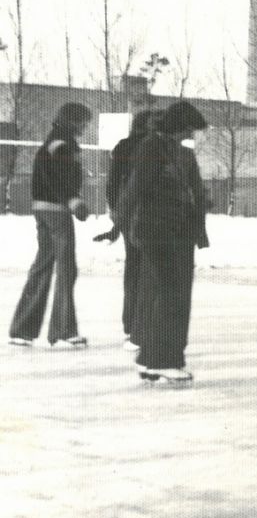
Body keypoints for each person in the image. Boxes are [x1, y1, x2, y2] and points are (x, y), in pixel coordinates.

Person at [119, 101, 210, 384]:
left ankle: (151, 360)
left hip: (177, 232)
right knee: (170, 297)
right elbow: (135, 189)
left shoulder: (177, 151)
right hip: (159, 231)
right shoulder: (152, 147)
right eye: (191, 130)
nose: (194, 136)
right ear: (180, 127)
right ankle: (163, 361)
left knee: (170, 296)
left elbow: (191, 193)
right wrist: (120, 226)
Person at [9, 103, 93, 348]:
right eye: (84, 122)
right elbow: (56, 175)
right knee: (66, 269)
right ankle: (64, 330)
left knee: (42, 266)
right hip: (57, 210)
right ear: (73, 121)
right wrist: (72, 198)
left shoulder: (52, 141)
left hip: (41, 208)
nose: (85, 127)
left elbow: (47, 174)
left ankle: (22, 329)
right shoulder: (63, 143)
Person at [94, 109, 161, 351]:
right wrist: (116, 211)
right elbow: (114, 181)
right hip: (137, 213)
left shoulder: (134, 146)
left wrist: (115, 209)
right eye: (154, 121)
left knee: (137, 268)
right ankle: (137, 326)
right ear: (144, 124)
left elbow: (113, 182)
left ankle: (134, 325)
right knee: (141, 268)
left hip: (138, 212)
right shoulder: (135, 146)